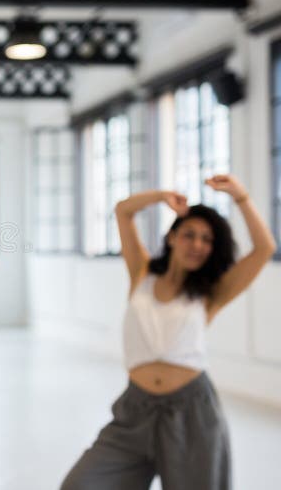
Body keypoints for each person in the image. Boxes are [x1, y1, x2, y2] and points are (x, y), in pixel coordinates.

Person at [60, 175, 276, 490]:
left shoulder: (211, 292)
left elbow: (264, 248)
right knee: (82, 484)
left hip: (192, 413)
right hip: (135, 410)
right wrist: (162, 196)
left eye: (207, 239)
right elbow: (123, 211)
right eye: (189, 234)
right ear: (172, 237)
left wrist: (241, 196)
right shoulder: (141, 272)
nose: (198, 245)